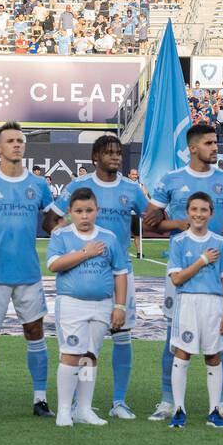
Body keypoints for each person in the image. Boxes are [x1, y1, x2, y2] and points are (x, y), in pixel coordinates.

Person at [49, 135, 154, 419]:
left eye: (118, 153)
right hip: (80, 275)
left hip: (119, 274)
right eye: (109, 153)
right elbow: (52, 220)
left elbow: (154, 218)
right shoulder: (78, 187)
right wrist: (71, 244)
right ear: (95, 156)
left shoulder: (131, 189)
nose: (116, 157)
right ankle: (74, 405)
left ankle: (118, 401)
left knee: (121, 335)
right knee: (80, 347)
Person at [148, 124, 223, 422]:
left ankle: (221, 403)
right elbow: (150, 221)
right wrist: (180, 226)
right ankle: (168, 401)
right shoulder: (172, 179)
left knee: (220, 337)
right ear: (193, 147)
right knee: (173, 338)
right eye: (209, 143)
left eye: (216, 143)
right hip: (181, 268)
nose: (216, 147)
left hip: (216, 268)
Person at [0, 122, 58, 418]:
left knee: (35, 331)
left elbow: (51, 223)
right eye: (11, 141)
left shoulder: (39, 185)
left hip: (28, 273)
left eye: (20, 140)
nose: (17, 144)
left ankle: (40, 399)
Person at [47, 188, 130, 427]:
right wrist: (86, 252)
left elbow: (120, 273)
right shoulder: (61, 236)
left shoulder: (109, 237)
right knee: (71, 355)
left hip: (102, 306)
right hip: (72, 304)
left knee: (90, 356)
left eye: (89, 211)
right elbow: (54, 265)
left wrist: (120, 306)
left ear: (97, 211)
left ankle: (83, 408)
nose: (84, 216)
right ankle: (64, 409)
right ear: (70, 213)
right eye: (79, 211)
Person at [166, 192, 223, 429]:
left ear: (211, 213)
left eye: (204, 210)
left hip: (214, 305)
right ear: (188, 212)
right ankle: (178, 410)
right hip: (187, 304)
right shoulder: (178, 242)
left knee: (213, 355)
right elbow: (176, 279)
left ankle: (214, 411)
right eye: (194, 209)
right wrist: (202, 260)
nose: (198, 214)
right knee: (182, 353)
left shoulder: (220, 242)